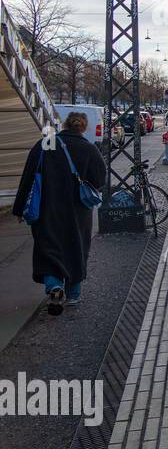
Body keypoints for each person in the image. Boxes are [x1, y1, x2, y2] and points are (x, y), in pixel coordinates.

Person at [11, 112, 108, 316]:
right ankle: (73, 293)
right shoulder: (89, 148)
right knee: (76, 247)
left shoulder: (46, 144)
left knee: (49, 246)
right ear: (83, 127)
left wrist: (19, 208)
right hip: (78, 212)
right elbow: (100, 179)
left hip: (47, 208)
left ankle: (54, 285)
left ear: (64, 125)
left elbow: (28, 176)